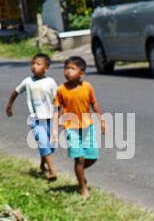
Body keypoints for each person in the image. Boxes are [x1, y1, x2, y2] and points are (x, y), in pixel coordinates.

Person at [53, 56, 106, 197]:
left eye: (72, 68)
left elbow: (93, 104)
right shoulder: (61, 90)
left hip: (87, 126)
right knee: (80, 158)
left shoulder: (87, 87)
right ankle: (83, 187)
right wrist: (54, 129)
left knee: (92, 157)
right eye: (66, 68)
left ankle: (79, 171)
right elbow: (56, 109)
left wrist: (102, 120)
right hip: (71, 128)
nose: (68, 71)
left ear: (81, 73)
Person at [6, 53, 59, 180]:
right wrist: (9, 105)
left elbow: (58, 100)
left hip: (49, 118)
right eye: (33, 63)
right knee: (43, 143)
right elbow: (16, 92)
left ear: (46, 68)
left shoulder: (50, 82)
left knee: (50, 146)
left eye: (38, 64)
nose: (34, 66)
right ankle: (52, 171)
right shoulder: (28, 81)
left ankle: (42, 165)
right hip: (35, 118)